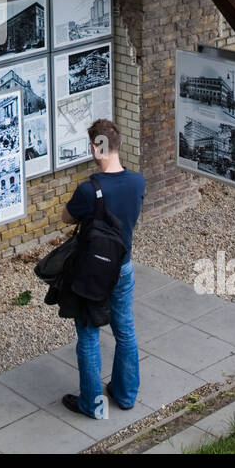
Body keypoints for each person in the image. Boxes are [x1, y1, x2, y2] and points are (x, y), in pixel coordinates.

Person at [60, 119, 145, 419]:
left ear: (98, 148)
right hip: (123, 268)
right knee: (125, 330)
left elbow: (67, 218)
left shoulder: (89, 190)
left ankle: (93, 403)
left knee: (88, 334)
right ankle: (125, 394)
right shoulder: (138, 182)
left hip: (93, 273)